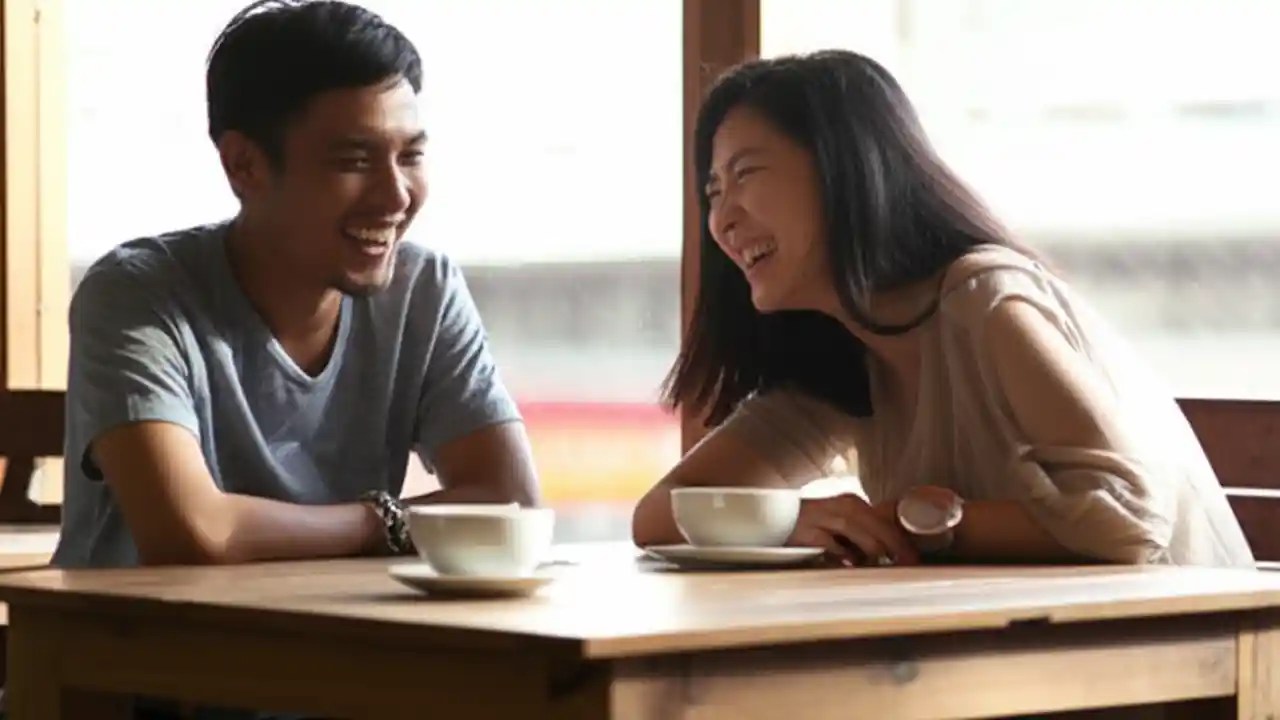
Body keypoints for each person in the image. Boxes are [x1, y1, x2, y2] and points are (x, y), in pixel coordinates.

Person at [632, 50, 1254, 568]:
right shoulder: (841, 356)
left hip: (1174, 664)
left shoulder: (983, 300)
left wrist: (913, 522)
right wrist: (788, 524)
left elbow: (1131, 516)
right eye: (713, 191)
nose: (722, 218)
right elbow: (660, 515)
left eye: (745, 175)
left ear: (844, 172)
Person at [52, 0, 540, 570]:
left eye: (411, 155)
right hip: (141, 649)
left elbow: (512, 505)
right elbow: (192, 532)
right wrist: (384, 519)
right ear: (245, 166)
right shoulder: (138, 294)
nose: (397, 195)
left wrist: (375, 523)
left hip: (337, 638)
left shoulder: (422, 289)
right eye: (354, 160)